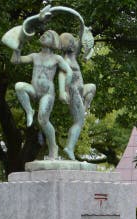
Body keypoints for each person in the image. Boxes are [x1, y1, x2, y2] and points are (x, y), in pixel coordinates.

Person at [11, 29, 72, 160]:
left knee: (43, 120)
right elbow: (16, 61)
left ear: (54, 41)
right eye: (44, 34)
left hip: (47, 93)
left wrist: (63, 91)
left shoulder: (57, 58)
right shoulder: (35, 56)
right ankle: (29, 111)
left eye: (48, 35)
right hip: (34, 89)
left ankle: (53, 147)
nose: (44, 35)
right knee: (19, 86)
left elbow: (68, 71)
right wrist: (17, 48)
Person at [58, 32, 96, 160]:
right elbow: (62, 75)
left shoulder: (73, 56)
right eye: (72, 42)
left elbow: (81, 41)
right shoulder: (65, 60)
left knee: (92, 87)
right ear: (67, 45)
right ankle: (69, 147)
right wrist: (62, 91)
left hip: (81, 89)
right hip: (73, 91)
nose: (75, 44)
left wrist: (84, 29)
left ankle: (85, 108)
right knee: (78, 122)